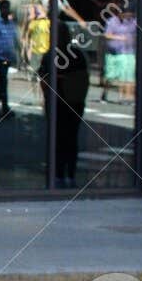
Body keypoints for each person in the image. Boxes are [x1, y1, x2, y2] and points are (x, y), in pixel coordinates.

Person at [40, 21, 89, 187]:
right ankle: (67, 173)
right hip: (72, 103)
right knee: (69, 139)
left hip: (63, 103)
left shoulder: (52, 56)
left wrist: (56, 82)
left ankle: (61, 173)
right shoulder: (74, 54)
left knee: (59, 138)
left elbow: (44, 80)